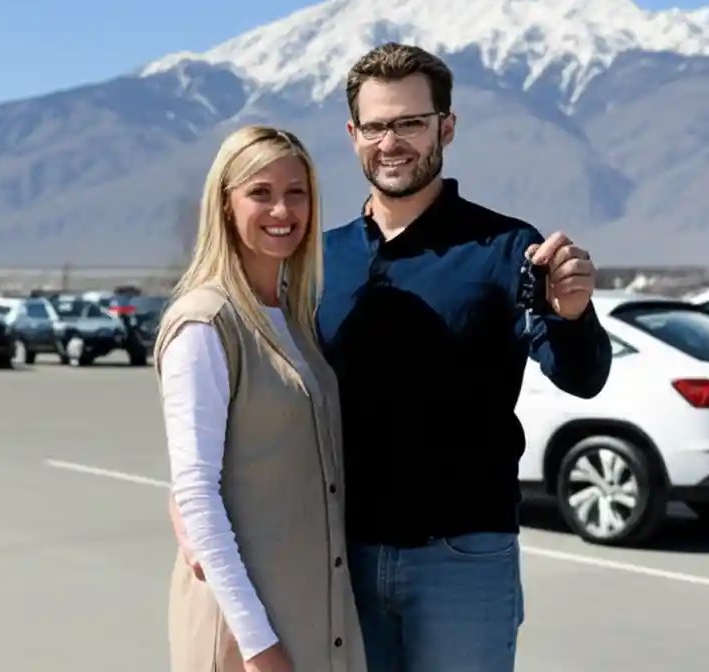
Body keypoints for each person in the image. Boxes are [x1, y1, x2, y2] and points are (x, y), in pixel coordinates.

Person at [170, 42, 613, 671]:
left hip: (462, 558)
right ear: (353, 135)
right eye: (376, 125)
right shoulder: (316, 261)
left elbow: (582, 376)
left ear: (446, 127)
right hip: (336, 558)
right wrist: (189, 501)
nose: (392, 141)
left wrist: (572, 314)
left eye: (410, 122)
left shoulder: (506, 247)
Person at [153, 124, 367, 672]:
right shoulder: (205, 324)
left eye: (297, 192)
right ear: (225, 205)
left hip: (315, 620)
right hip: (247, 633)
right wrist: (257, 646)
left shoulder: (297, 319)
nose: (282, 210)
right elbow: (197, 495)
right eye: (260, 193)